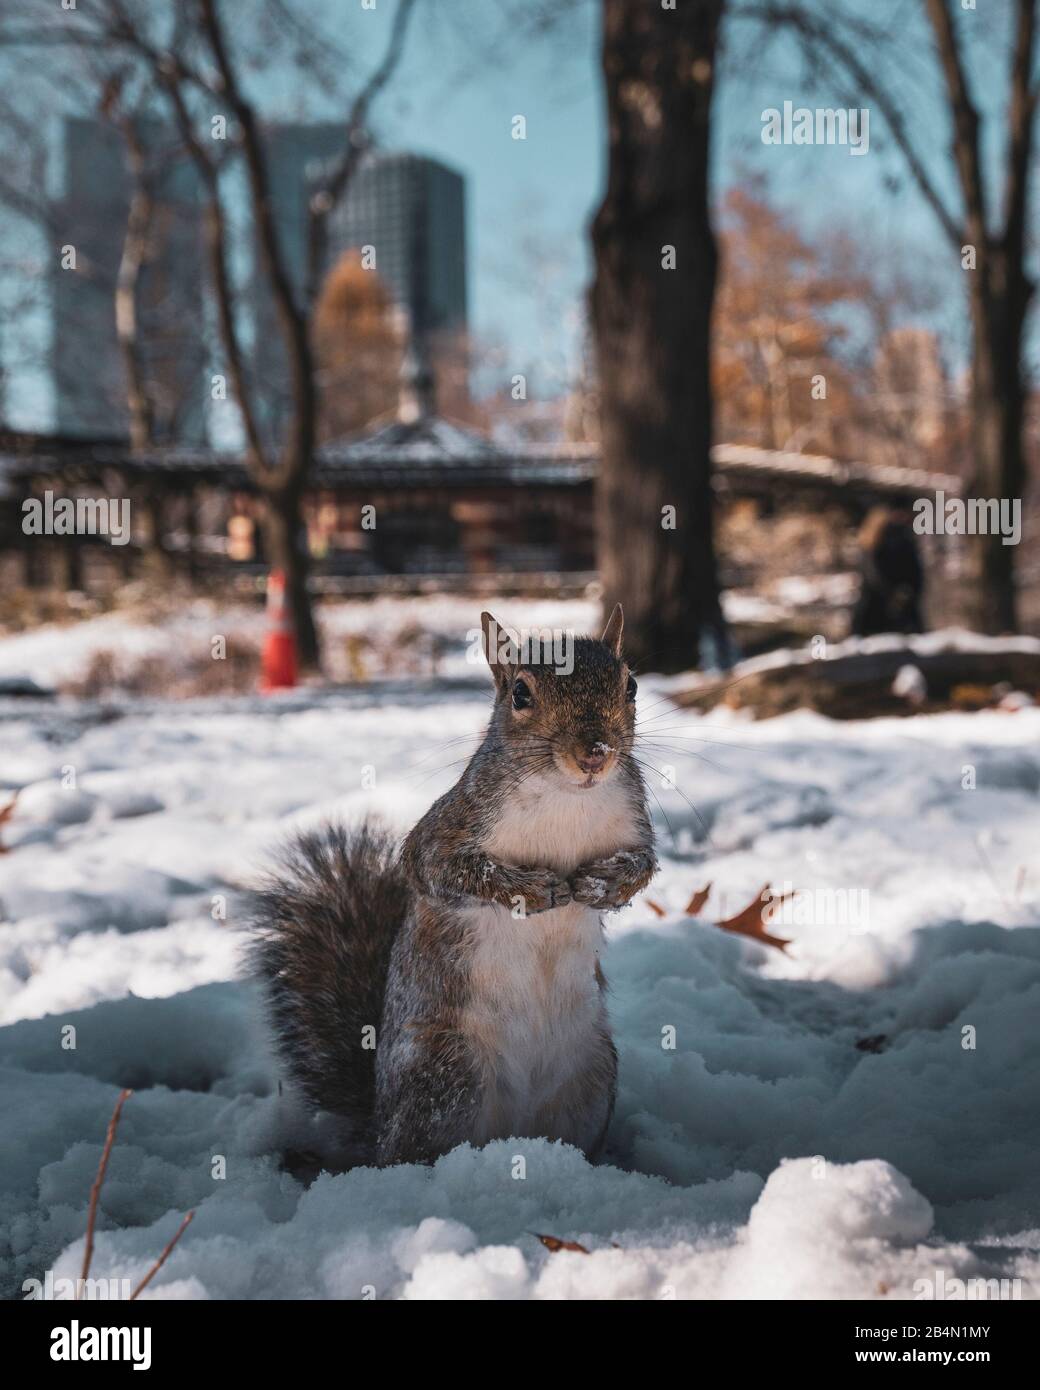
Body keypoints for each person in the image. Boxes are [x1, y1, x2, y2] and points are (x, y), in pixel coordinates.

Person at [851, 505, 925, 636]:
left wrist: (907, 591)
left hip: (899, 600)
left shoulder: (904, 538)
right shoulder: (874, 544)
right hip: (878, 604)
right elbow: (873, 574)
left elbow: (915, 571)